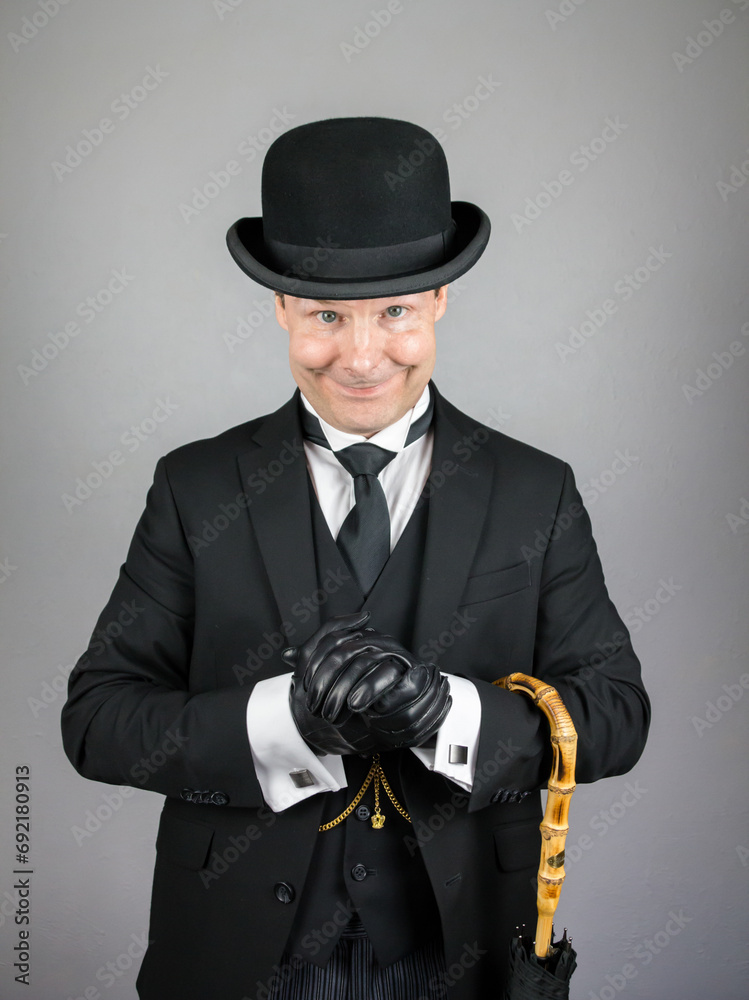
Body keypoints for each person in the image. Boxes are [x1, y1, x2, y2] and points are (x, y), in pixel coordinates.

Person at [61, 116, 650, 1000]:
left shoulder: (536, 489)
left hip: (462, 954)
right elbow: (98, 721)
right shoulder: (194, 487)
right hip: (237, 953)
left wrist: (447, 711)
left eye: (396, 312)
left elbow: (615, 715)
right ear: (280, 308)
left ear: (442, 299)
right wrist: (282, 723)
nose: (362, 356)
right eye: (326, 315)